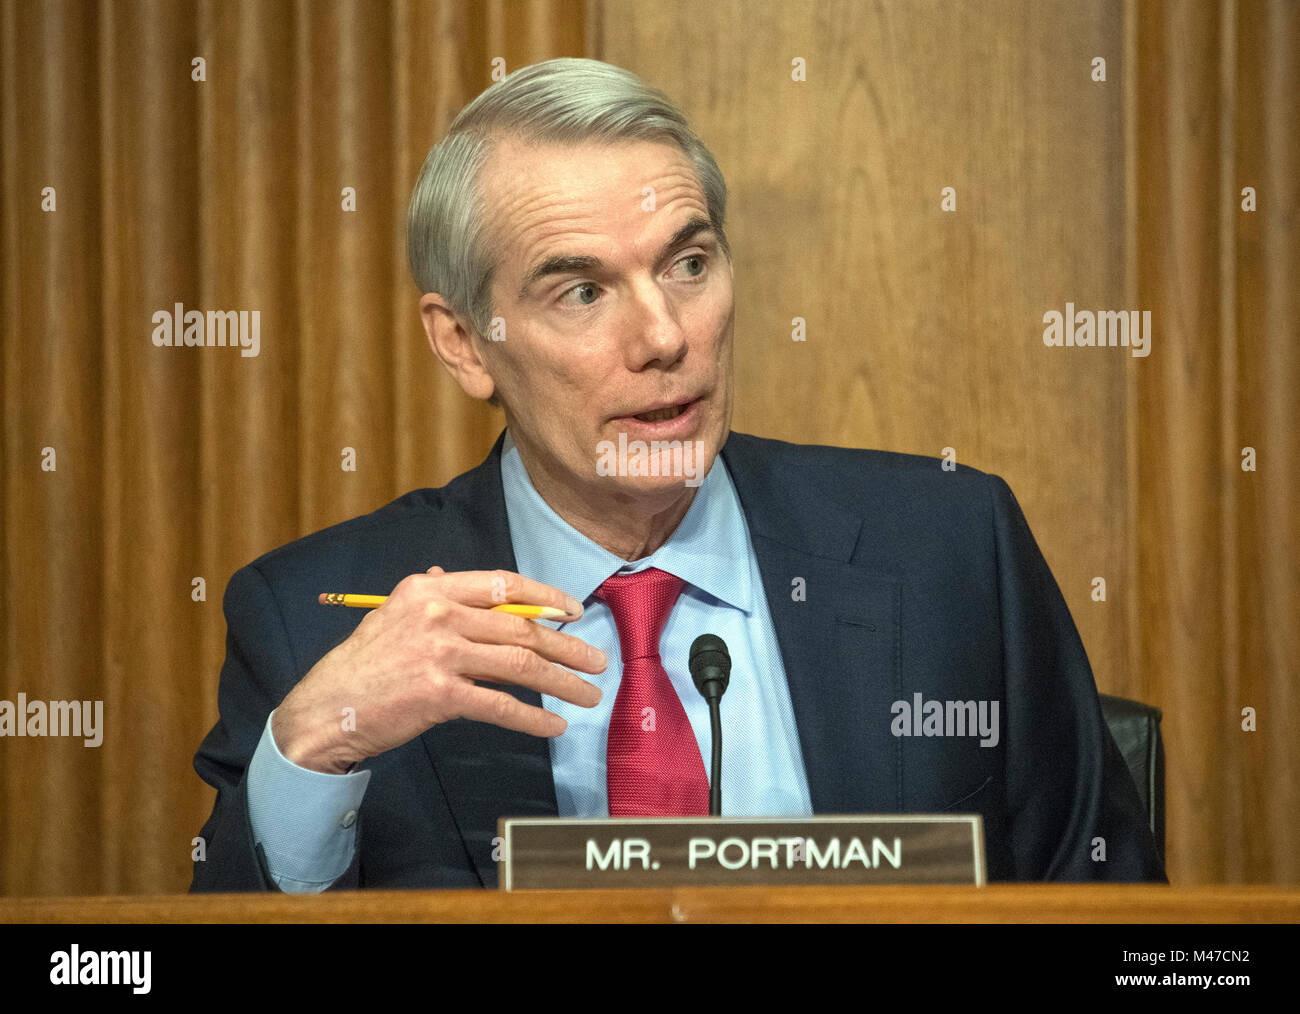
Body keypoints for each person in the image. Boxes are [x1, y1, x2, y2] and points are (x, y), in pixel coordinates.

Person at [191, 57, 1165, 892]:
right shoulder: (311, 620)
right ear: (464, 344)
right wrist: (313, 745)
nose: (664, 338)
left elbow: (1120, 923)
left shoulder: (953, 550)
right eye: (581, 290)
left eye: (688, 265)